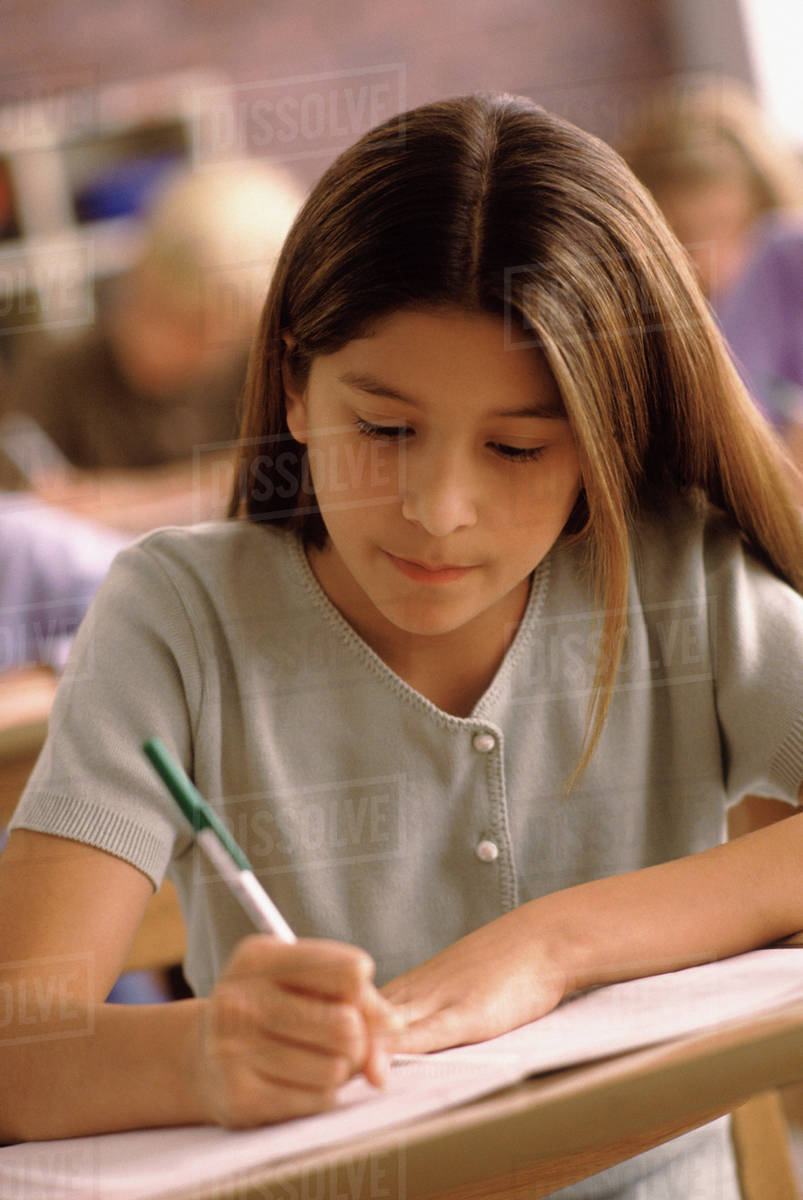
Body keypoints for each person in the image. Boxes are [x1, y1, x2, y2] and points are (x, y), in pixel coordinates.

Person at [0, 94, 801, 1199]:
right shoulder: (178, 616)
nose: (438, 509)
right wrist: (200, 1054)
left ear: (603, 438)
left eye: (517, 448)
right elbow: (16, 1041)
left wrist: (552, 944)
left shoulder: (675, 577)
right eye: (383, 430)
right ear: (291, 383)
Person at [0, 158, 304, 518]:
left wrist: (124, 504)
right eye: (148, 303)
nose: (154, 340)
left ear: (251, 330)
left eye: (194, 327)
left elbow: (291, 470)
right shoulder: (61, 374)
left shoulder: (271, 372)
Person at [618, 77, 803, 488]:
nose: (707, 261)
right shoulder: (648, 340)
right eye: (683, 237)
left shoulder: (789, 263)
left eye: (727, 227)